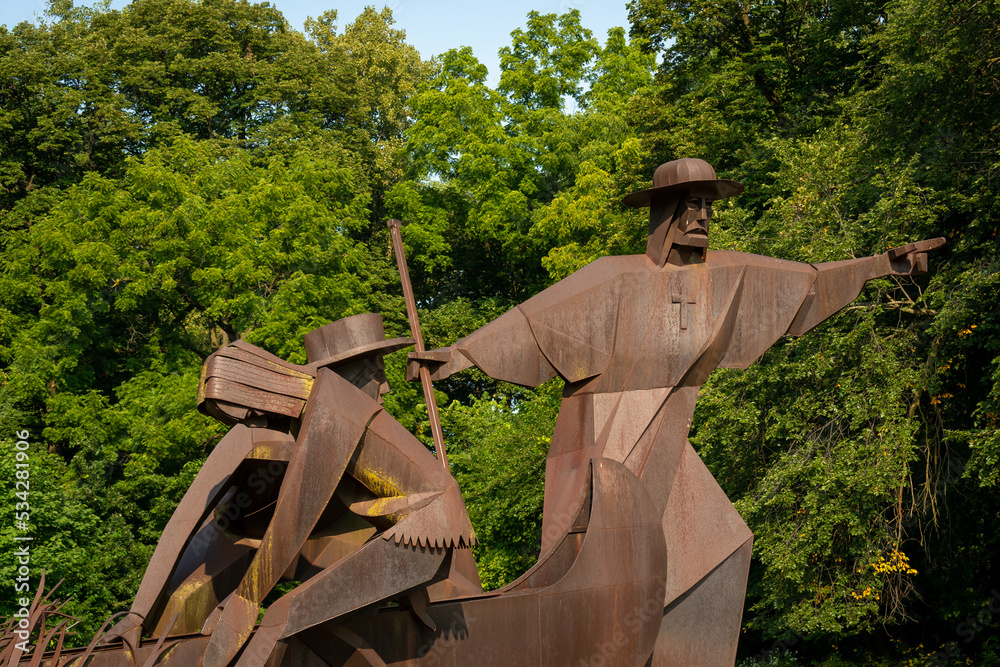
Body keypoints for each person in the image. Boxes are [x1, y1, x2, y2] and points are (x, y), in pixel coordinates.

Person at [409, 158, 944, 664]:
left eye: (709, 206)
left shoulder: (732, 276)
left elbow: (806, 282)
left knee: (721, 550)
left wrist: (881, 267)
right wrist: (456, 356)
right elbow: (533, 323)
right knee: (598, 572)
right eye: (691, 204)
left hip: (670, 426)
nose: (703, 217)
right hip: (606, 435)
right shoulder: (616, 278)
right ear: (665, 213)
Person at [105, 314, 478, 667]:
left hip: (429, 530)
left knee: (280, 617)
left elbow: (297, 513)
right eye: (375, 372)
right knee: (298, 618)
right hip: (415, 529)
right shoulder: (313, 412)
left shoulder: (333, 410)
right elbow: (187, 516)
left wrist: (247, 601)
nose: (386, 385)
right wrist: (138, 614)